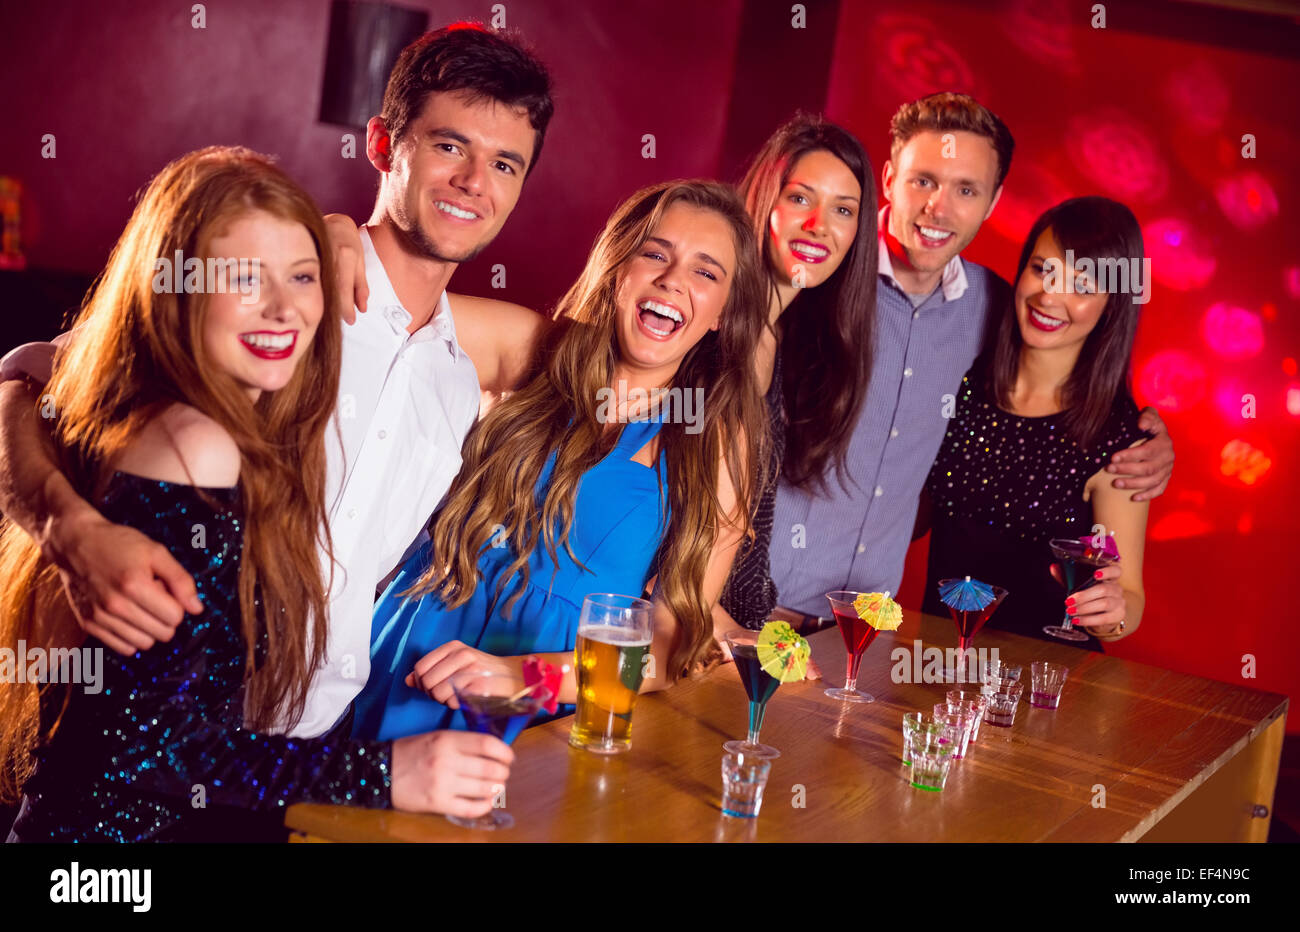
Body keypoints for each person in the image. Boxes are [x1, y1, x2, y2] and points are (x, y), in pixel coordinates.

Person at [0, 24, 555, 738]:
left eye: (505, 165)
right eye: (450, 147)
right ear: (383, 144)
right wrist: (69, 531)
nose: (474, 183)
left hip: (304, 759)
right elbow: (28, 374)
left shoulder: (455, 382)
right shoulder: (284, 298)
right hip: (156, 742)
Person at [0, 147, 512, 842]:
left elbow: (29, 369)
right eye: (244, 277)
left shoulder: (209, 410)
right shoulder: (193, 443)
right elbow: (144, 749)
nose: (284, 308)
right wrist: (389, 774)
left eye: (303, 277)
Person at [351, 179, 770, 741]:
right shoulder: (533, 348)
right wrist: (339, 237)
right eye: (655, 253)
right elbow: (382, 303)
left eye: (706, 271)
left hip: (550, 704)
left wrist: (523, 679)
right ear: (619, 270)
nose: (673, 280)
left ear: (722, 312)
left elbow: (668, 649)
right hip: (409, 659)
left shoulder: (715, 437)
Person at [767, 93, 1175, 621]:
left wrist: (1152, 440)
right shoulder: (817, 269)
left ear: (993, 201)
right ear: (889, 179)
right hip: (754, 603)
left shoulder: (994, 311)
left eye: (966, 189)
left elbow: (1069, 361)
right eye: (924, 181)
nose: (940, 207)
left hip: (862, 627)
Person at [920, 197, 1150, 649]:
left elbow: (1130, 597)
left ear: (1111, 306)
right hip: (939, 663)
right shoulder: (962, 382)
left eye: (1081, 286)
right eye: (1043, 270)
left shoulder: (1118, 434)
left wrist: (1111, 616)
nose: (1049, 297)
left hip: (1044, 686)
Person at [713, 113, 878, 634]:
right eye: (801, 198)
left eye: (843, 210)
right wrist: (729, 635)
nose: (819, 226)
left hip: (739, 632)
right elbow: (641, 515)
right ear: (765, 200)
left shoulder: (782, 339)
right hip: (682, 636)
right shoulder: (708, 325)